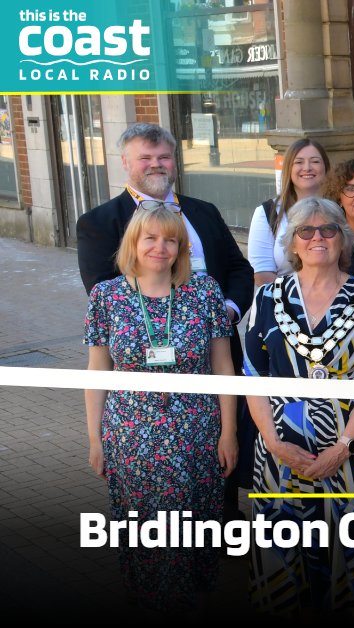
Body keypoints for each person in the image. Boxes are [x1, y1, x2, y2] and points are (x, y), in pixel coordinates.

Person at [76, 122, 253, 522]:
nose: (156, 164)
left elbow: (239, 269)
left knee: (214, 500)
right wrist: (95, 437)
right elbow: (100, 346)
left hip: (205, 385)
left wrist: (222, 312)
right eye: (146, 157)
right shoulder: (99, 224)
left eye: (164, 157)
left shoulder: (204, 212)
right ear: (126, 163)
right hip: (136, 414)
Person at [243, 197, 354, 614]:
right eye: (306, 230)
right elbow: (253, 377)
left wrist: (343, 447)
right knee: (286, 562)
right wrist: (273, 443)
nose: (318, 237)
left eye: (328, 229)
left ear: (343, 239)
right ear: (292, 243)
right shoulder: (266, 299)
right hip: (280, 455)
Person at [84, 203, 237, 613]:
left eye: (171, 239)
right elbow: (98, 371)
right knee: (147, 536)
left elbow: (224, 366)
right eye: (150, 237)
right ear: (133, 242)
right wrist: (95, 439)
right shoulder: (107, 296)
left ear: (182, 247)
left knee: (196, 531)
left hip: (197, 433)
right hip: (132, 435)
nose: (160, 247)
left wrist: (229, 433)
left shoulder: (204, 292)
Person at [247, 138, 329, 286]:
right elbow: (261, 274)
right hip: (283, 297)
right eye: (299, 162)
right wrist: (300, 296)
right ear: (288, 168)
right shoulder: (268, 213)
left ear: (325, 167)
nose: (307, 167)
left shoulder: (339, 208)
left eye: (315, 161)